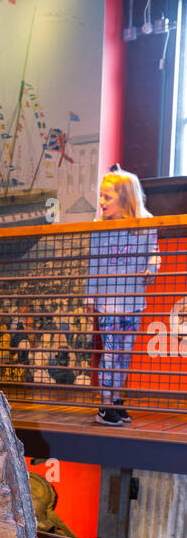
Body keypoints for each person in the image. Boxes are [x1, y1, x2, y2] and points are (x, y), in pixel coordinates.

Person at [85, 167, 159, 426]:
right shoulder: (100, 228)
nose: (101, 202)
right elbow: (93, 263)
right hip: (109, 303)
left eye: (107, 197)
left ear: (125, 198)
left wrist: (152, 267)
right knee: (111, 352)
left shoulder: (145, 224)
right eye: (101, 196)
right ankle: (105, 406)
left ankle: (116, 400)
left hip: (133, 303)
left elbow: (154, 253)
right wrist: (90, 297)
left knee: (124, 354)